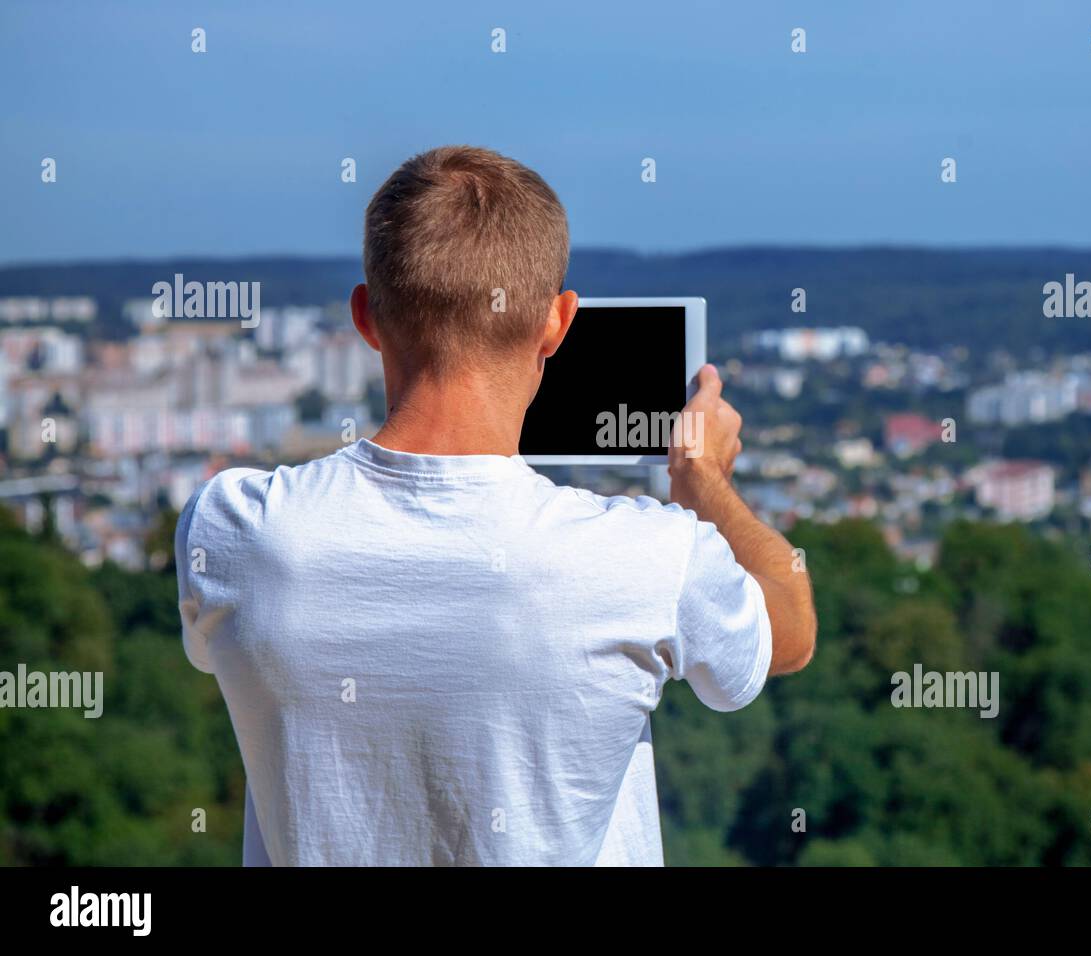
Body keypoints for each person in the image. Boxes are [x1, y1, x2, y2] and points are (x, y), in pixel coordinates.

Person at [175, 145, 816, 866]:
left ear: (365, 316)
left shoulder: (235, 530)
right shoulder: (646, 559)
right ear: (557, 324)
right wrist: (705, 484)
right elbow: (789, 634)